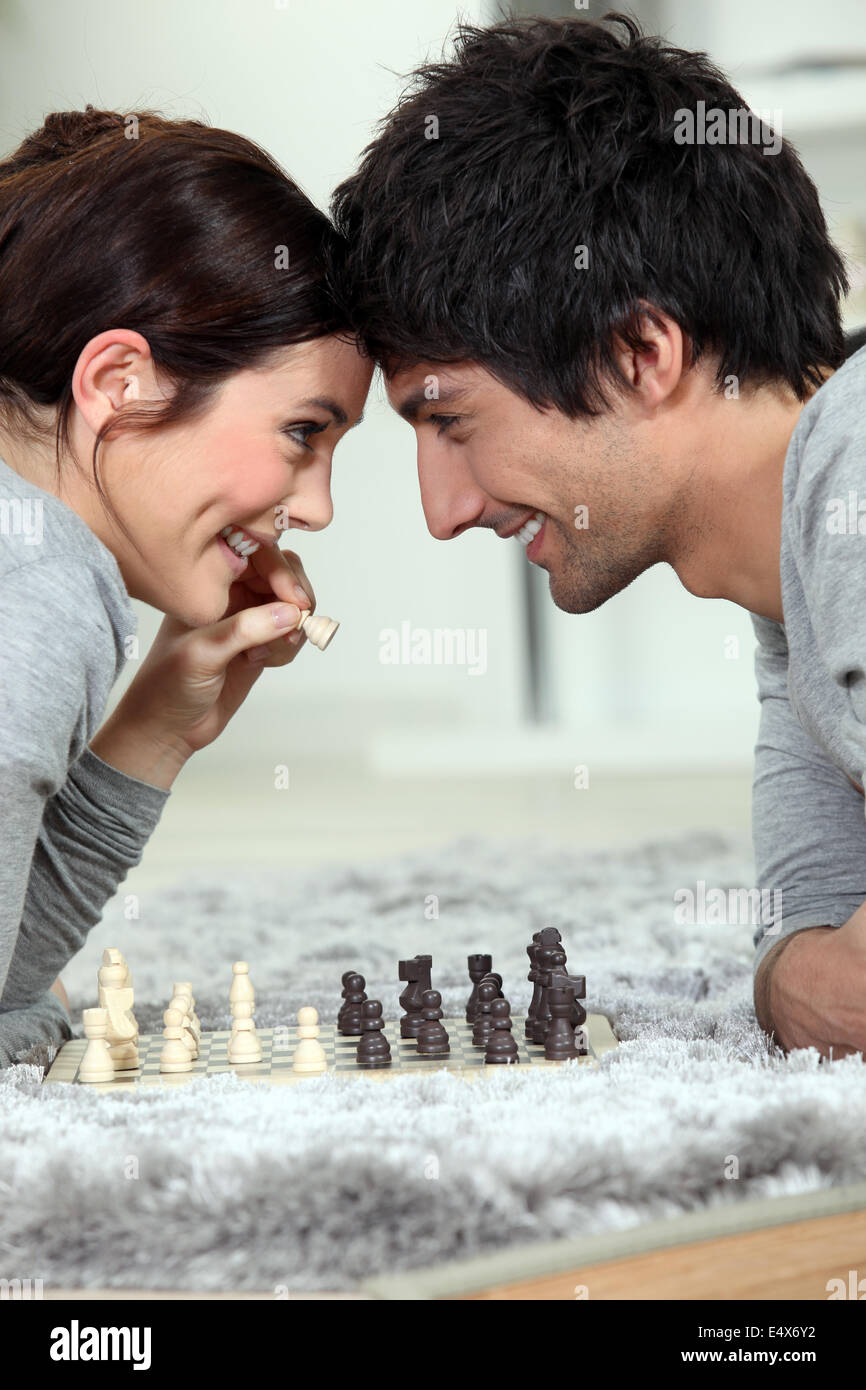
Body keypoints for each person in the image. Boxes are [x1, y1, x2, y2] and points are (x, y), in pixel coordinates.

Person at [328, 13, 866, 1059]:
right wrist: (788, 977)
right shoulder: (796, 586)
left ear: (637, 351)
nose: (441, 512)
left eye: (448, 421)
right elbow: (807, 958)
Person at [0, 106, 370, 1066]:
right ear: (119, 381)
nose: (318, 507)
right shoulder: (41, 579)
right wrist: (33, 1023)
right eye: (303, 432)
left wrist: (163, 723)